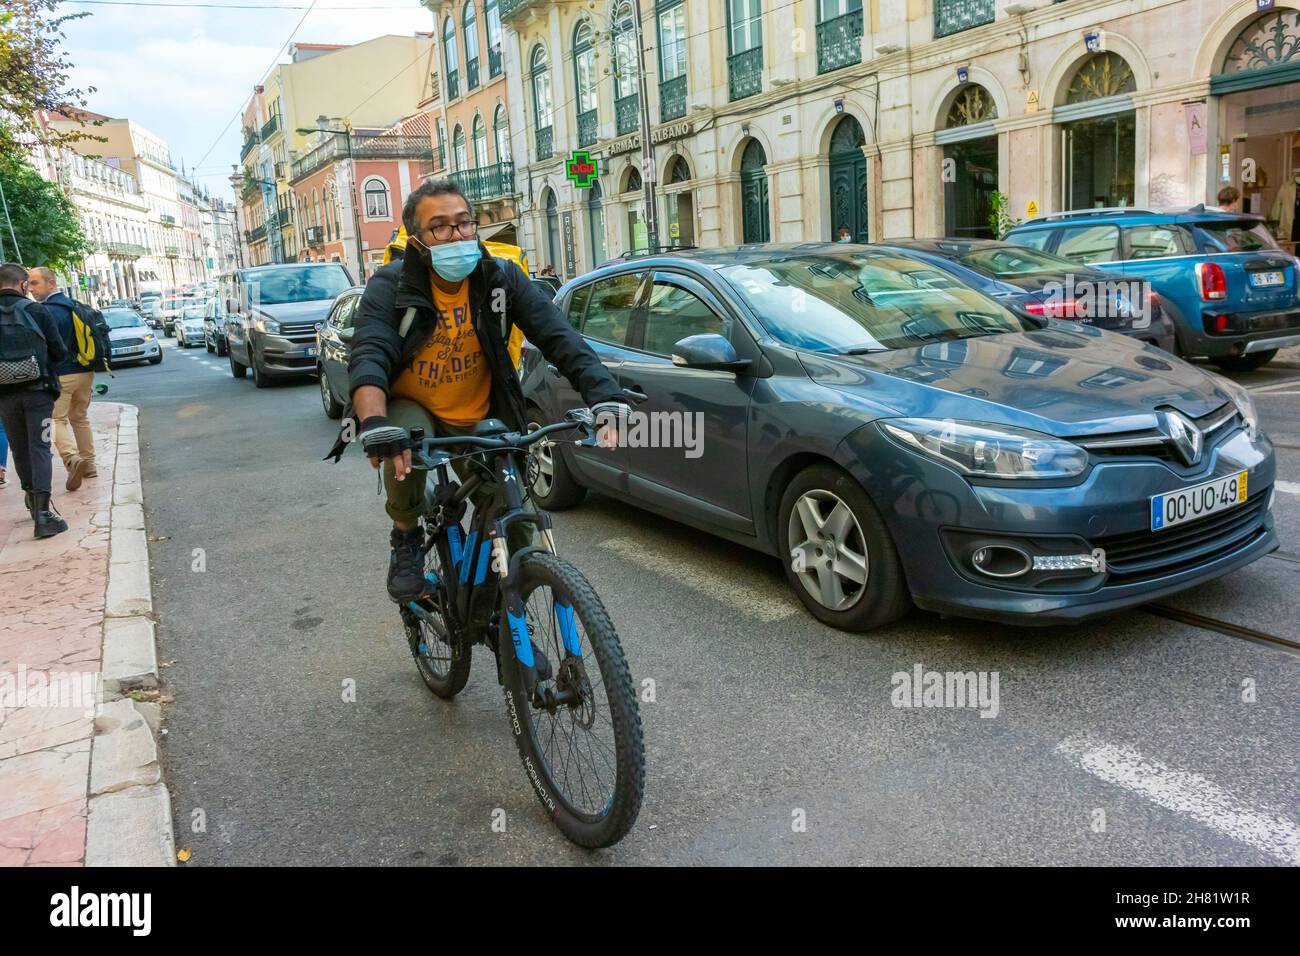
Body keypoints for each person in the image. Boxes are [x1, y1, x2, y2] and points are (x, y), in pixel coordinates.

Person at [335, 179, 629, 601]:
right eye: (439, 227)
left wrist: (605, 397)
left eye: (464, 223)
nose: (456, 235)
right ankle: (407, 538)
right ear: (416, 242)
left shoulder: (500, 278)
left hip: (480, 413)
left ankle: (512, 629)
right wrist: (376, 422)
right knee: (405, 440)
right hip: (414, 406)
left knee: (520, 525)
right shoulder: (392, 286)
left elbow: (559, 337)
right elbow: (370, 354)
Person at [0, 262, 70, 538]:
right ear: (23, 285)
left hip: (4, 396)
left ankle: (31, 500)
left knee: (19, 448)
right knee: (40, 446)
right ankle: (43, 513)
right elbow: (59, 351)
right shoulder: (36, 311)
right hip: (38, 393)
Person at [27, 267, 96, 491]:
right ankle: (89, 465)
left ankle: (71, 458)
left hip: (62, 374)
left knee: (54, 420)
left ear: (51, 283)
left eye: (35, 283)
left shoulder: (43, 311)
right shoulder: (74, 305)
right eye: (29, 283)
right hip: (85, 372)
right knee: (80, 418)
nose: (30, 288)